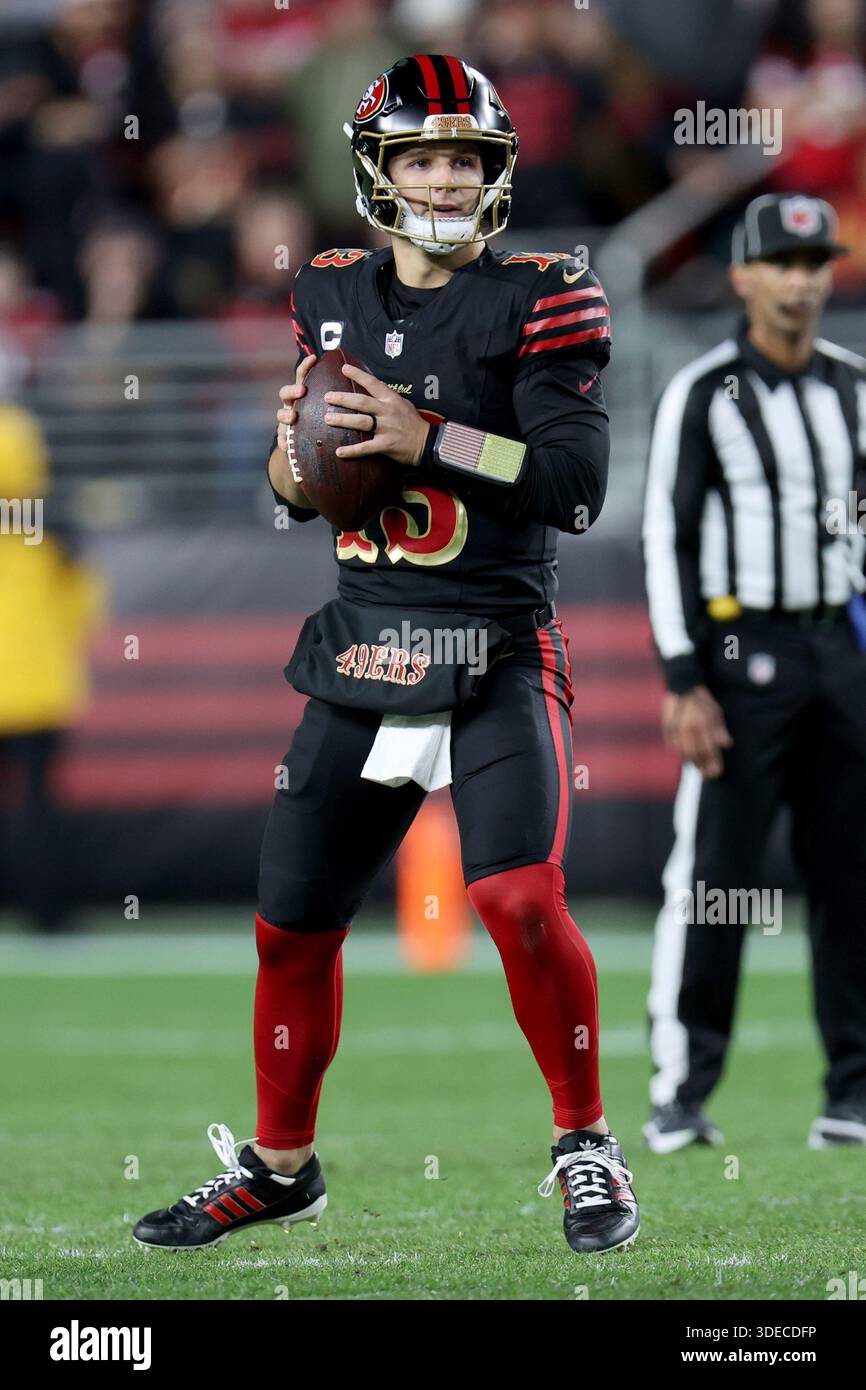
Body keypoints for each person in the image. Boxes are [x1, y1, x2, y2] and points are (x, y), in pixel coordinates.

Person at [134, 54, 639, 1256]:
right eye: (422, 155)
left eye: (464, 157)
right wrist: (288, 464)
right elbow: (301, 488)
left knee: (515, 894)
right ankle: (281, 1166)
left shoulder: (541, 296)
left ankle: (583, 1141)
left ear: (495, 171)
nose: (446, 177)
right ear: (378, 169)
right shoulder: (326, 295)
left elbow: (572, 488)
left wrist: (432, 434)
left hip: (497, 643)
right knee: (289, 928)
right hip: (365, 647)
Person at [642, 193, 866, 1153]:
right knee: (716, 883)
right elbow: (668, 536)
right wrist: (684, 677)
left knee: (853, 878)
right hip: (741, 660)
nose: (801, 282)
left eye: (815, 266)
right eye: (781, 263)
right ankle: (682, 1093)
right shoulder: (703, 391)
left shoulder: (856, 386)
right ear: (742, 277)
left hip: (842, 653)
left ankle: (852, 1094)